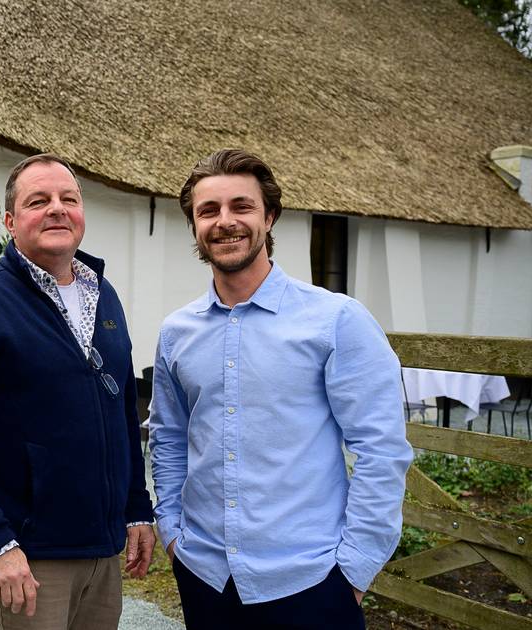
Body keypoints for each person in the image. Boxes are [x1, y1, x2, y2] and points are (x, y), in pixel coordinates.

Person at [147, 149, 413, 629]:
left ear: (269, 217)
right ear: (194, 227)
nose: (225, 221)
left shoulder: (336, 321)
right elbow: (168, 436)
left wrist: (353, 570)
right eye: (208, 211)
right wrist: (171, 529)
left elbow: (381, 449)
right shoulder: (176, 332)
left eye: (241, 206)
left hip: (310, 582)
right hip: (204, 578)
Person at [0, 154, 155, 628]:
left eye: (69, 199)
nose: (57, 209)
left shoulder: (103, 297)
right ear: (10, 221)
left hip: (103, 553)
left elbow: (122, 411)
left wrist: (135, 509)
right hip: (29, 559)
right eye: (38, 200)